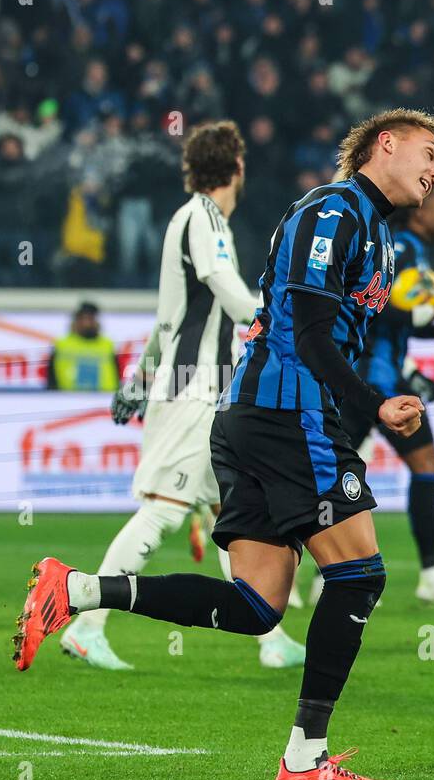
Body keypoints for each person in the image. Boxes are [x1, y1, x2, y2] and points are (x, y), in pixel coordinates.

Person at [14, 108, 434, 780]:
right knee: (359, 575)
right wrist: (370, 404)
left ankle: (75, 589)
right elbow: (308, 333)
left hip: (260, 415)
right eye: (428, 155)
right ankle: (305, 759)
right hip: (288, 412)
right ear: (384, 144)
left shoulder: (380, 236)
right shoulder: (333, 213)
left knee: (258, 605)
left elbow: (320, 325)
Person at [61, 120, 305, 671]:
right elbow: (225, 287)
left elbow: (167, 320)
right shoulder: (203, 218)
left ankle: (270, 638)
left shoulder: (195, 220)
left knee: (232, 512)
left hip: (201, 387)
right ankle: (86, 623)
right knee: (163, 512)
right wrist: (272, 325)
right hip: (196, 387)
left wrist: (140, 380)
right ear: (237, 167)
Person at [338, 187, 434, 606]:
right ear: (419, 213)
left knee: (338, 469)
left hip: (379, 375)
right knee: (410, 467)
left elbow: (393, 319)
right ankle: (430, 575)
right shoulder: (400, 247)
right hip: (374, 378)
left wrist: (432, 330)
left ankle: (324, 571)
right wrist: (413, 316)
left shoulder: (410, 249)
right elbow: (367, 303)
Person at [46, 301, 121, 391]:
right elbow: (51, 379)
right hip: (68, 400)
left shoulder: (107, 345)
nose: (87, 323)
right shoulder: (62, 345)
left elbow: (117, 376)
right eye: (83, 319)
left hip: (103, 400)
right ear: (76, 321)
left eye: (90, 318)